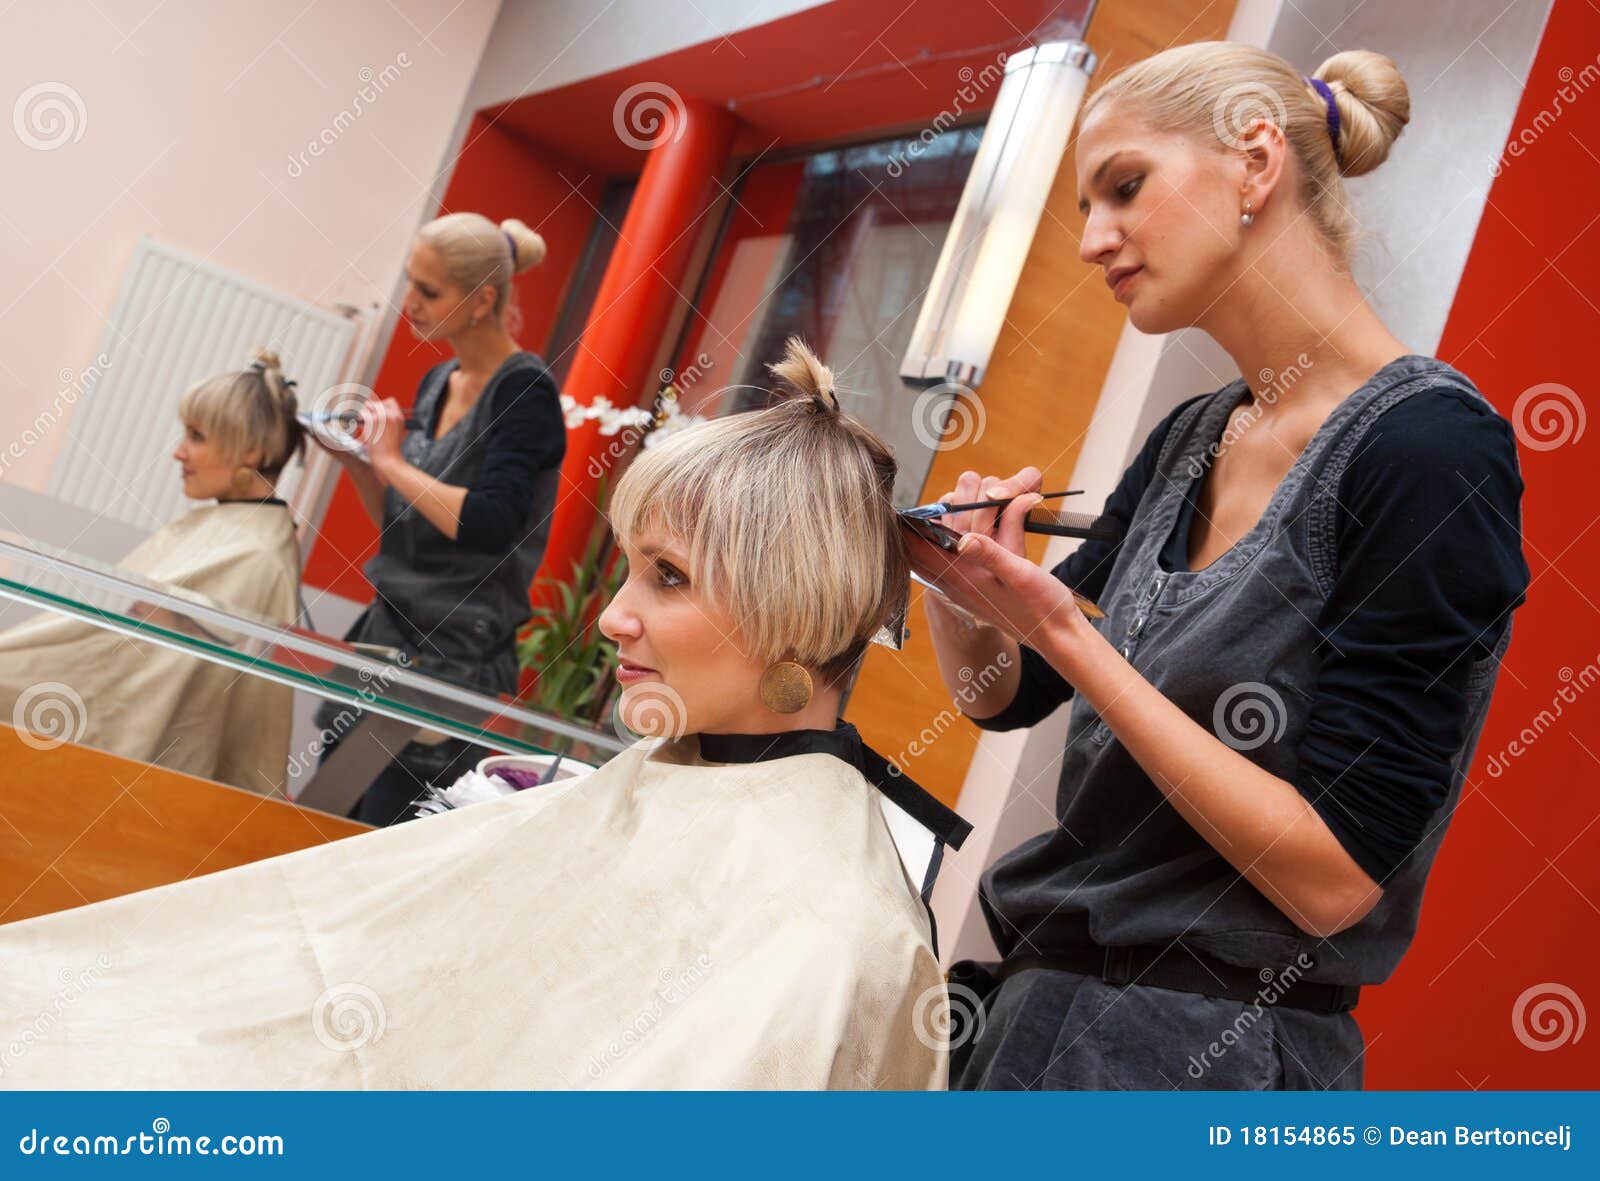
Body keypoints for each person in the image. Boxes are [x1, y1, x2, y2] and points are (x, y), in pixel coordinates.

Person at [0, 338, 970, 1089]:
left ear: (792, 609)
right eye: (631, 566)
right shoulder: (681, 780)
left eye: (667, 576)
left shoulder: (825, 933)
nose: (609, 614)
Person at [909, 43, 1531, 1090]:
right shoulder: (1193, 434)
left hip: (1209, 1061)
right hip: (1034, 1020)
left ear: (1255, 163)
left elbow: (1331, 881)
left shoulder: (1428, 452)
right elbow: (1006, 698)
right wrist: (959, 584)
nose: (1094, 239)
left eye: (1124, 187)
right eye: (1085, 208)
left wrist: (1063, 627)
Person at [312, 211, 566, 826]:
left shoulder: (525, 392)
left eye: (428, 292)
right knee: (323, 809)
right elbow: (407, 527)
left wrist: (393, 462)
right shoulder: (438, 380)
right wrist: (358, 465)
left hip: (452, 653)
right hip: (386, 632)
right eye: (410, 284)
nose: (410, 305)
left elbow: (488, 525)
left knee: (376, 828)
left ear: (482, 301)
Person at [0, 350, 304, 795]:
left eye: (197, 437)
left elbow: (137, 682)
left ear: (252, 451)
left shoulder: (254, 557)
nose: (179, 452)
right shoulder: (235, 529)